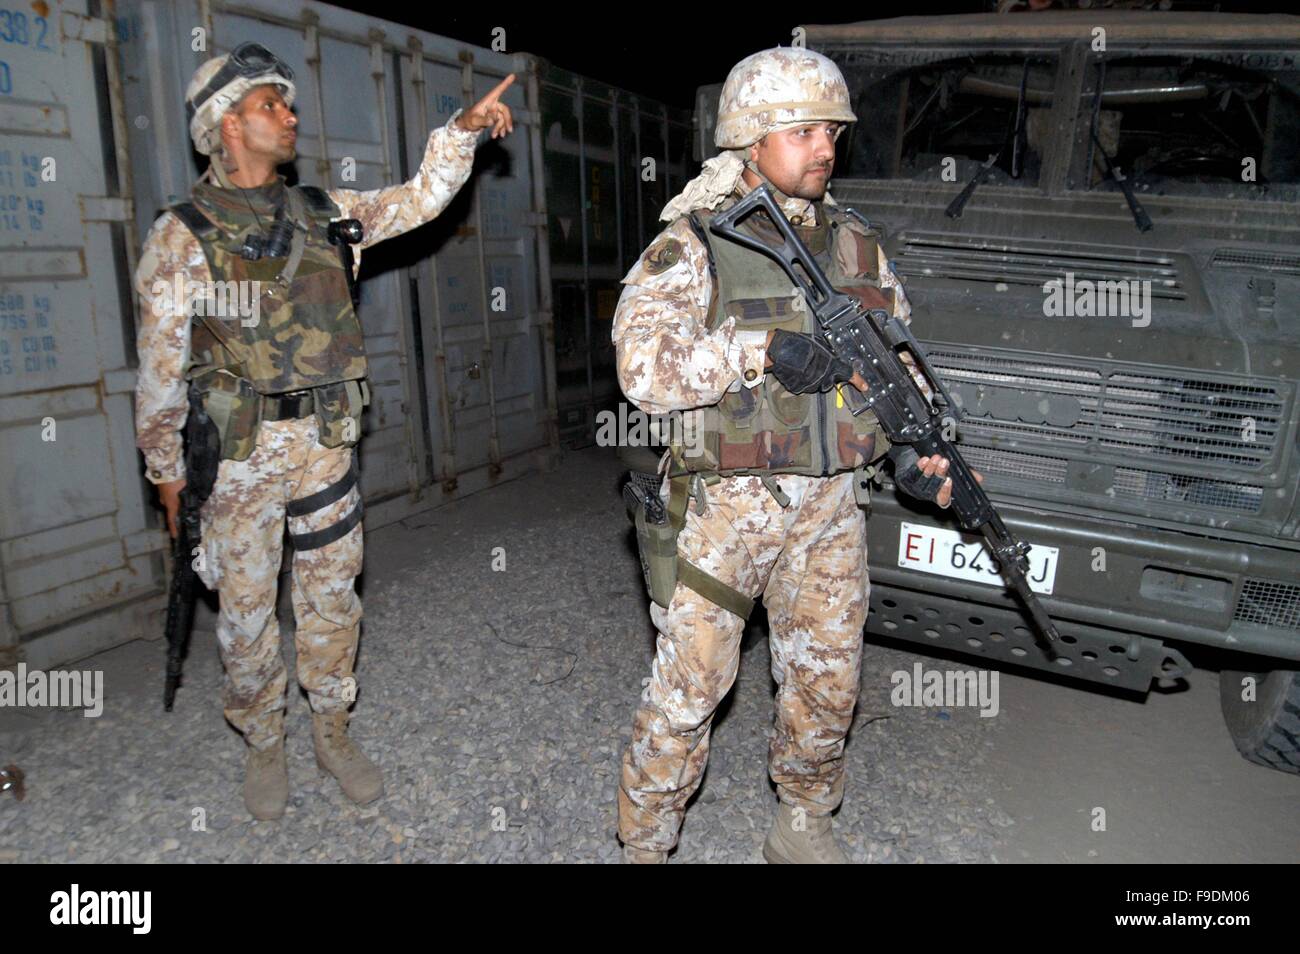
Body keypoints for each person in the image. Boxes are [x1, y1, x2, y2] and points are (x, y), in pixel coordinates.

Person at [613, 47, 975, 863]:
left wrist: (918, 451)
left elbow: (899, 370)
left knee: (826, 686)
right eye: (804, 130)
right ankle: (644, 845)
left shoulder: (858, 249)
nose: (824, 147)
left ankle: (802, 822)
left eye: (831, 132)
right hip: (725, 514)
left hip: (830, 513)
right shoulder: (696, 245)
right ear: (749, 139)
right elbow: (641, 373)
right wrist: (758, 350)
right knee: (688, 695)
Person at [134, 42, 513, 820]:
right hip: (234, 466)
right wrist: (167, 473)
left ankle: (332, 730)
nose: (290, 114)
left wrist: (462, 131)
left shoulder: (324, 214)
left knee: (333, 604)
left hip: (323, 449)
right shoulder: (182, 237)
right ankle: (263, 741)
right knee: (243, 622)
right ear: (227, 126)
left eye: (286, 101)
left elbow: (418, 202)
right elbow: (161, 368)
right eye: (270, 105)